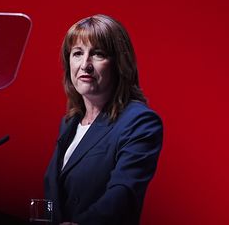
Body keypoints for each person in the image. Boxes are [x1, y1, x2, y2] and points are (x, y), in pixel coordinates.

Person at [43, 15, 163, 225]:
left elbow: (122, 193)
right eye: (78, 53)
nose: (85, 64)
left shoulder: (140, 121)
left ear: (119, 63)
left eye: (98, 54)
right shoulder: (70, 123)